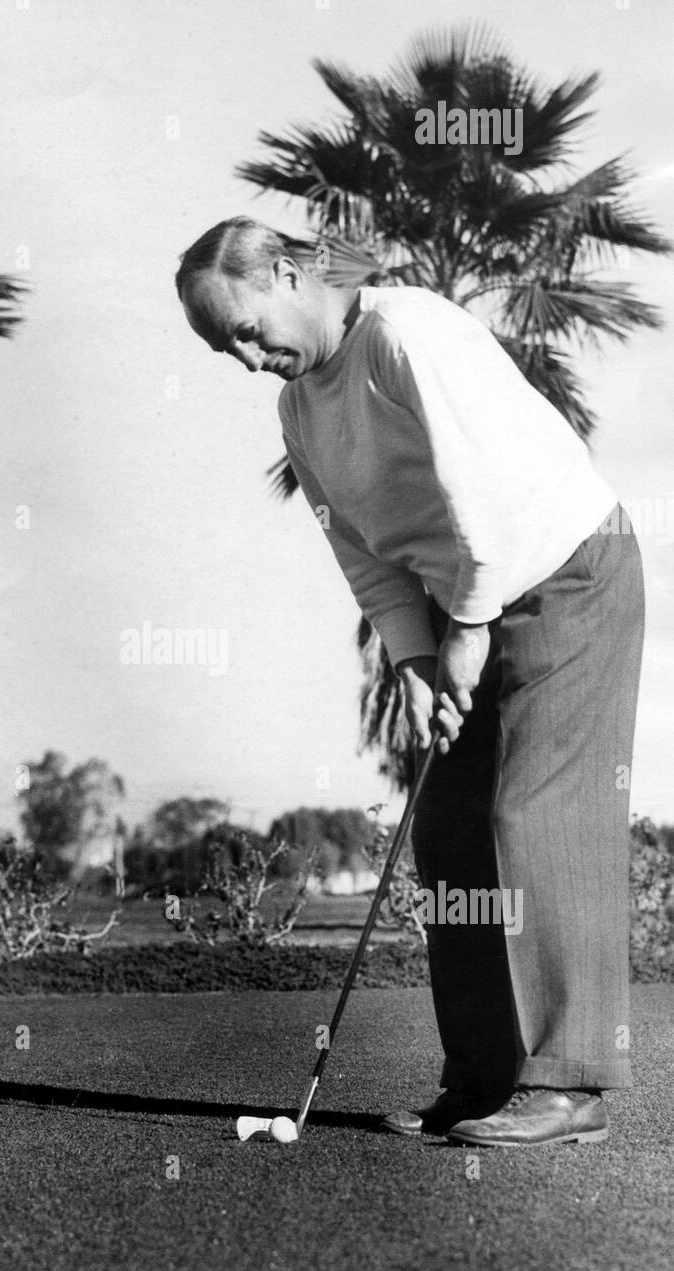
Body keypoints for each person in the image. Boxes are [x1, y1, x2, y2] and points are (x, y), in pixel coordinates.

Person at [176, 216, 644, 1148]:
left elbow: (483, 490)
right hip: (462, 599)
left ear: (285, 272)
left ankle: (568, 1084)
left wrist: (467, 628)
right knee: (448, 826)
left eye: (240, 327)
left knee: (534, 811)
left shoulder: (404, 331)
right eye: (220, 346)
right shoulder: (298, 412)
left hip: (568, 567)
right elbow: (364, 556)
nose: (242, 356)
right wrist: (416, 662)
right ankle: (481, 1080)